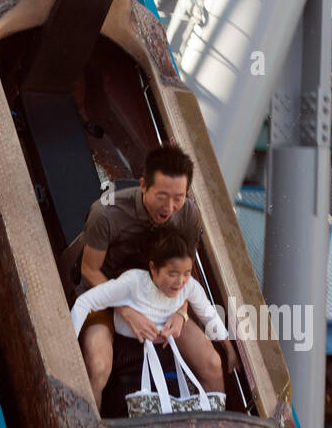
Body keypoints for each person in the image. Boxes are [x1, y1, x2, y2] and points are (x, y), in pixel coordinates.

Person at [73, 145, 225, 406]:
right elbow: (89, 269)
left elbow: (184, 274)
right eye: (162, 196)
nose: (170, 207)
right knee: (98, 367)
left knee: (212, 363)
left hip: (163, 295)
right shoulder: (106, 214)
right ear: (143, 185)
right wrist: (126, 309)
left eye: (178, 197)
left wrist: (181, 312)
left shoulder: (187, 214)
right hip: (108, 296)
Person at [71, 230, 237, 406]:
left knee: (171, 409)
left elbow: (208, 314)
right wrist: (69, 343)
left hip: (165, 357)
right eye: (172, 274)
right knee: (129, 409)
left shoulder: (189, 287)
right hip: (129, 358)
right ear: (153, 268)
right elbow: (85, 302)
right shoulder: (132, 282)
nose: (180, 282)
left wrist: (229, 349)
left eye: (186, 273)